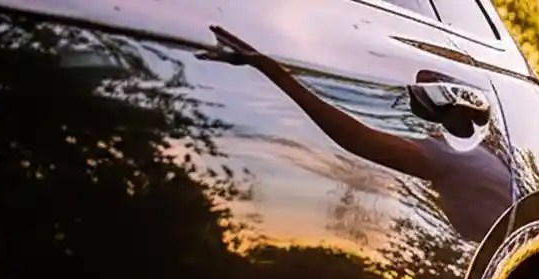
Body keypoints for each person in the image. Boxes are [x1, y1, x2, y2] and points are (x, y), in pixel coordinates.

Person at [200, 25, 513, 244]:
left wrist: (269, 68)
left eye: (423, 98)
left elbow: (356, 138)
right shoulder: (494, 158)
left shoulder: (449, 159)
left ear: (455, 106)